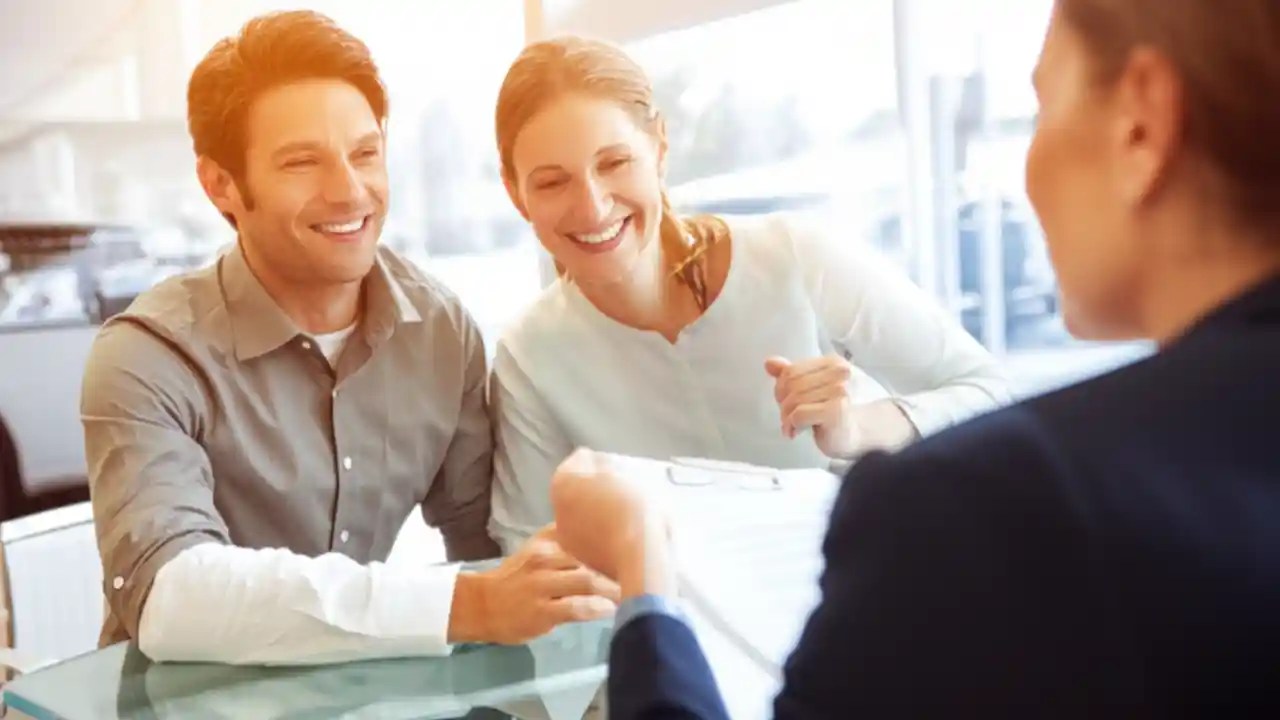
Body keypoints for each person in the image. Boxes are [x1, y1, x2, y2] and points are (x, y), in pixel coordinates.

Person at [549, 0, 1280, 715]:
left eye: (1041, 109)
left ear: (1141, 124)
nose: (1026, 170)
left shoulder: (968, 508)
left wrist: (645, 578)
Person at [80, 10, 617, 665]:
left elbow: (491, 553)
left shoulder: (440, 331)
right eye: (302, 163)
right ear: (221, 184)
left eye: (366, 154)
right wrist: (463, 606)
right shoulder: (148, 356)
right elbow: (171, 597)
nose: (350, 191)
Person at [488, 36, 1012, 552]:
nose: (593, 207)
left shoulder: (793, 255)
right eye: (553, 183)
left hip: (860, 602)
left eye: (614, 163)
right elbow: (528, 554)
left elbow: (987, 392)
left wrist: (855, 429)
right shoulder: (530, 356)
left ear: (659, 148)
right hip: (672, 629)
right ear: (516, 194)